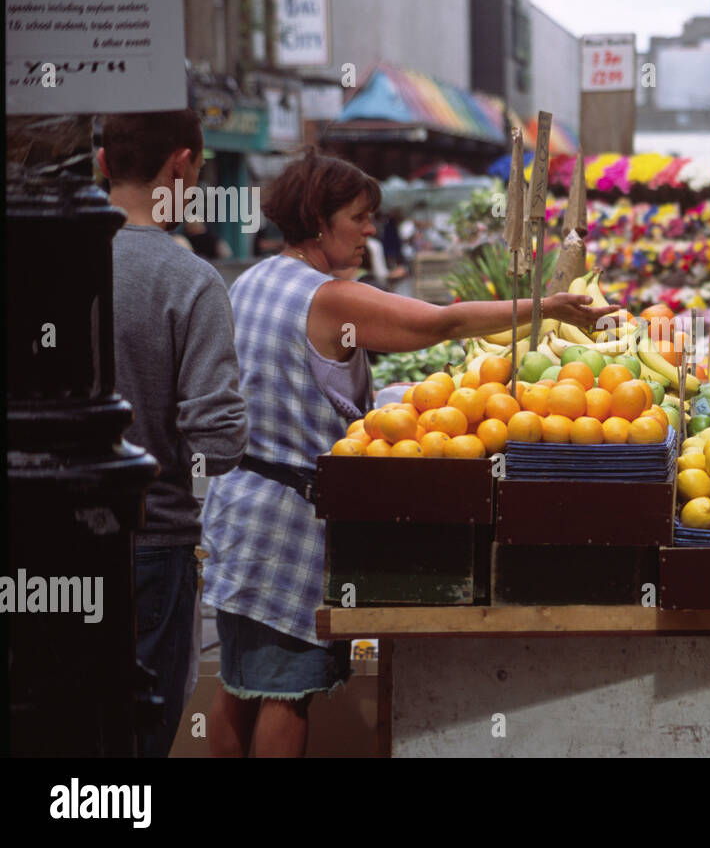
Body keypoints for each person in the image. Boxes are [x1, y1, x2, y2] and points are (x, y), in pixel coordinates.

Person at [200, 148, 615, 758]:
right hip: (285, 524)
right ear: (319, 219)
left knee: (238, 683)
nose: (372, 230)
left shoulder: (255, 278)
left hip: (239, 506)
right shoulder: (328, 298)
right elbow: (438, 324)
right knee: (285, 693)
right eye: (359, 217)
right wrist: (547, 307)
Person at [95, 110, 249, 758]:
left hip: (44, 543)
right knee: (139, 736)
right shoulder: (189, 279)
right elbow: (219, 438)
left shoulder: (42, 263)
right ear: (181, 164)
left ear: (103, 164)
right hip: (153, 542)